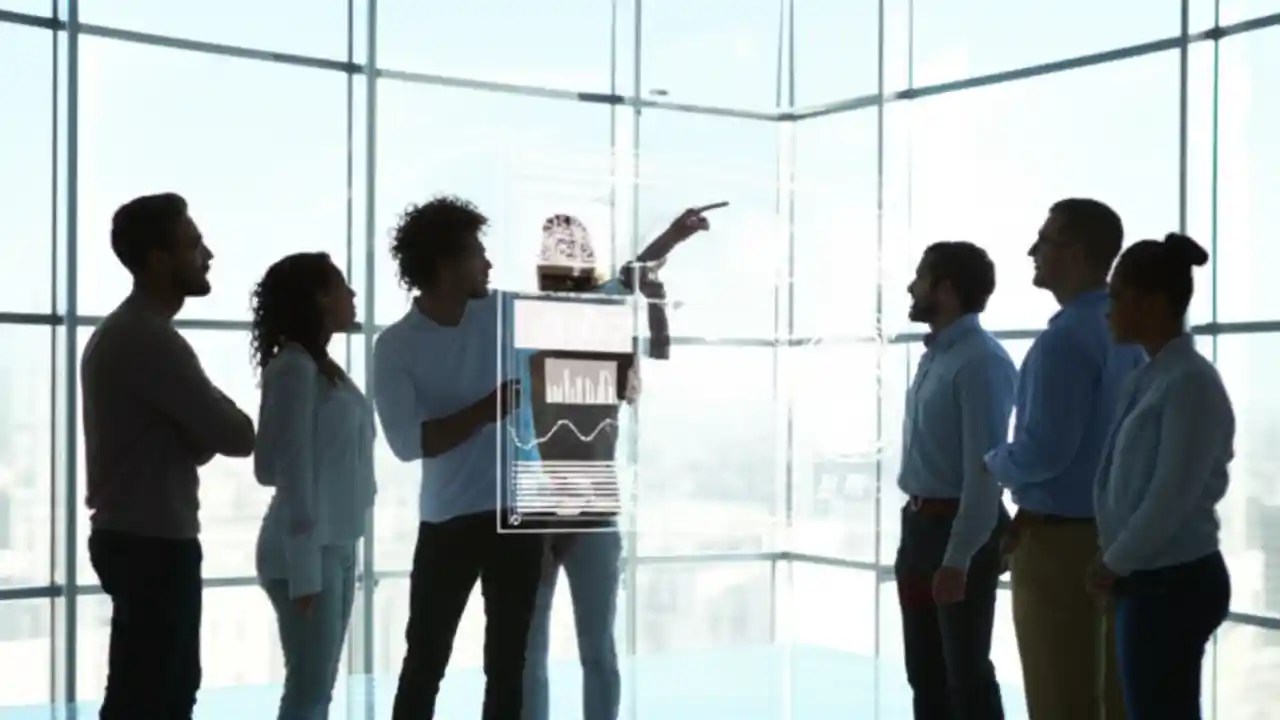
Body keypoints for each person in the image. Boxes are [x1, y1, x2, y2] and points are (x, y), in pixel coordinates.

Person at [520, 207, 712, 720]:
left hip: (593, 508)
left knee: (597, 650)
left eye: (575, 253)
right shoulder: (525, 323)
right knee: (531, 655)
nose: (568, 264)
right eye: (557, 254)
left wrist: (675, 233)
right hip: (539, 509)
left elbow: (639, 270)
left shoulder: (601, 309)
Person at [81, 193, 256, 719]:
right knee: (160, 693)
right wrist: (199, 427)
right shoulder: (150, 341)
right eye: (194, 243)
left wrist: (193, 429)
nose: (208, 255)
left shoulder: (130, 334)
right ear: (159, 258)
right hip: (152, 544)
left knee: (145, 687)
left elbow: (202, 434)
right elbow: (235, 433)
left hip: (136, 538)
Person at [373, 195, 542, 719]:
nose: (487, 264)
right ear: (446, 266)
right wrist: (484, 412)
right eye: (476, 253)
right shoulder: (396, 346)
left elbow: (589, 300)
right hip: (447, 522)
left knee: (508, 665)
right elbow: (406, 444)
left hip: (517, 516)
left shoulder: (504, 311)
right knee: (426, 660)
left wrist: (662, 250)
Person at [982, 198, 1141, 720]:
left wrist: (992, 464)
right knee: (1116, 698)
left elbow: (1045, 452)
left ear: (1074, 252)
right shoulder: (1129, 334)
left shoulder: (1064, 341)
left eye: (1045, 240)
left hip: (1058, 546)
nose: (1033, 251)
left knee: (1060, 699)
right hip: (1117, 537)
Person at [1088, 233, 1232, 720]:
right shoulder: (1150, 376)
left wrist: (1114, 560)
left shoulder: (1189, 382)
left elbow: (1169, 496)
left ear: (1151, 303)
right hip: (1151, 577)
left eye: (1117, 296)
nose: (1108, 310)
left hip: (1174, 580)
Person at [250, 252, 376, 719]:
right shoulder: (295, 369)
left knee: (317, 687)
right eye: (343, 286)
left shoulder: (322, 369)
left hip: (336, 543)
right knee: (308, 690)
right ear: (320, 297)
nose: (353, 296)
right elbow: (286, 471)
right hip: (306, 550)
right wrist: (305, 570)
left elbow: (274, 463)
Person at [895, 241, 1016, 720]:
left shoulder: (980, 362)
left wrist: (958, 558)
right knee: (924, 671)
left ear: (945, 289)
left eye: (920, 278)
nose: (911, 286)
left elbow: (983, 475)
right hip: (920, 528)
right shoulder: (938, 356)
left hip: (955, 531)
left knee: (965, 675)